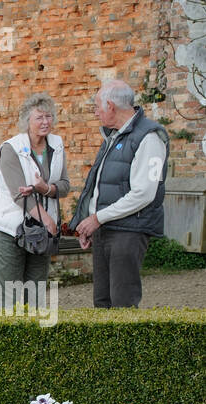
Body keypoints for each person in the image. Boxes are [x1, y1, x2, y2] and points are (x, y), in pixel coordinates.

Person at [69, 79, 169, 308]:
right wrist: (89, 222)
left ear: (111, 106)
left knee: (123, 303)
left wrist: (97, 218)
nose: (95, 113)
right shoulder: (113, 136)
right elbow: (98, 186)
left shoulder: (150, 137)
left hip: (129, 231)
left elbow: (144, 193)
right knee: (102, 303)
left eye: (97, 107)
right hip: (106, 229)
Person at [0, 94, 70, 307]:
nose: (45, 122)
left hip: (41, 233)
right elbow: (19, 195)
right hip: (11, 228)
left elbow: (64, 185)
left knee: (35, 294)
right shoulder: (10, 149)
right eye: (39, 118)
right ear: (27, 121)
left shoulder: (57, 145)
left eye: (48, 116)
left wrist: (47, 188)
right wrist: (48, 221)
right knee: (7, 295)